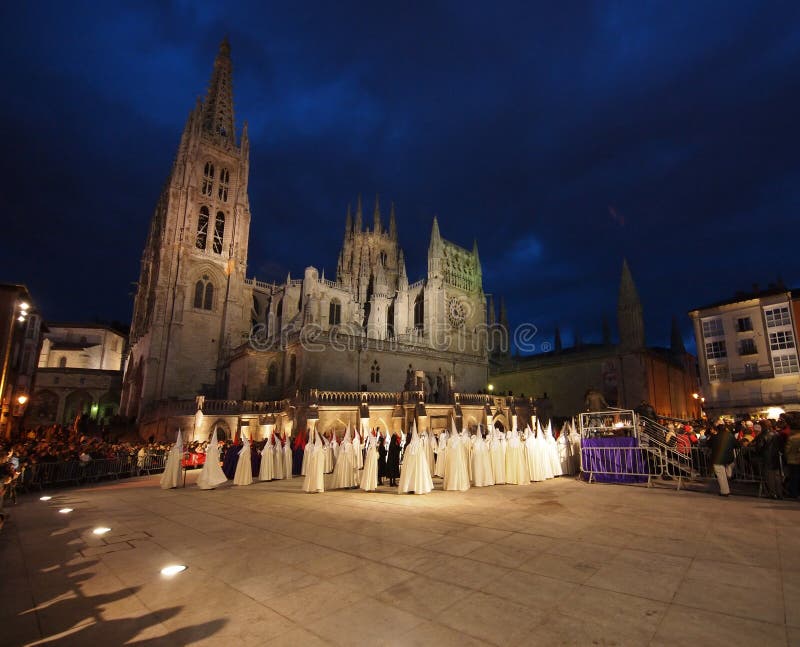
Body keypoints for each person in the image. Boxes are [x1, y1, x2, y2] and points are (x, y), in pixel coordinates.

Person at [710, 424, 738, 496]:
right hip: (729, 458)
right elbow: (737, 445)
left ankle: (725, 491)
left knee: (721, 475)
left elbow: (708, 444)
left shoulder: (714, 437)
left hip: (717, 459)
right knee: (727, 471)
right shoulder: (731, 436)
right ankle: (729, 475)